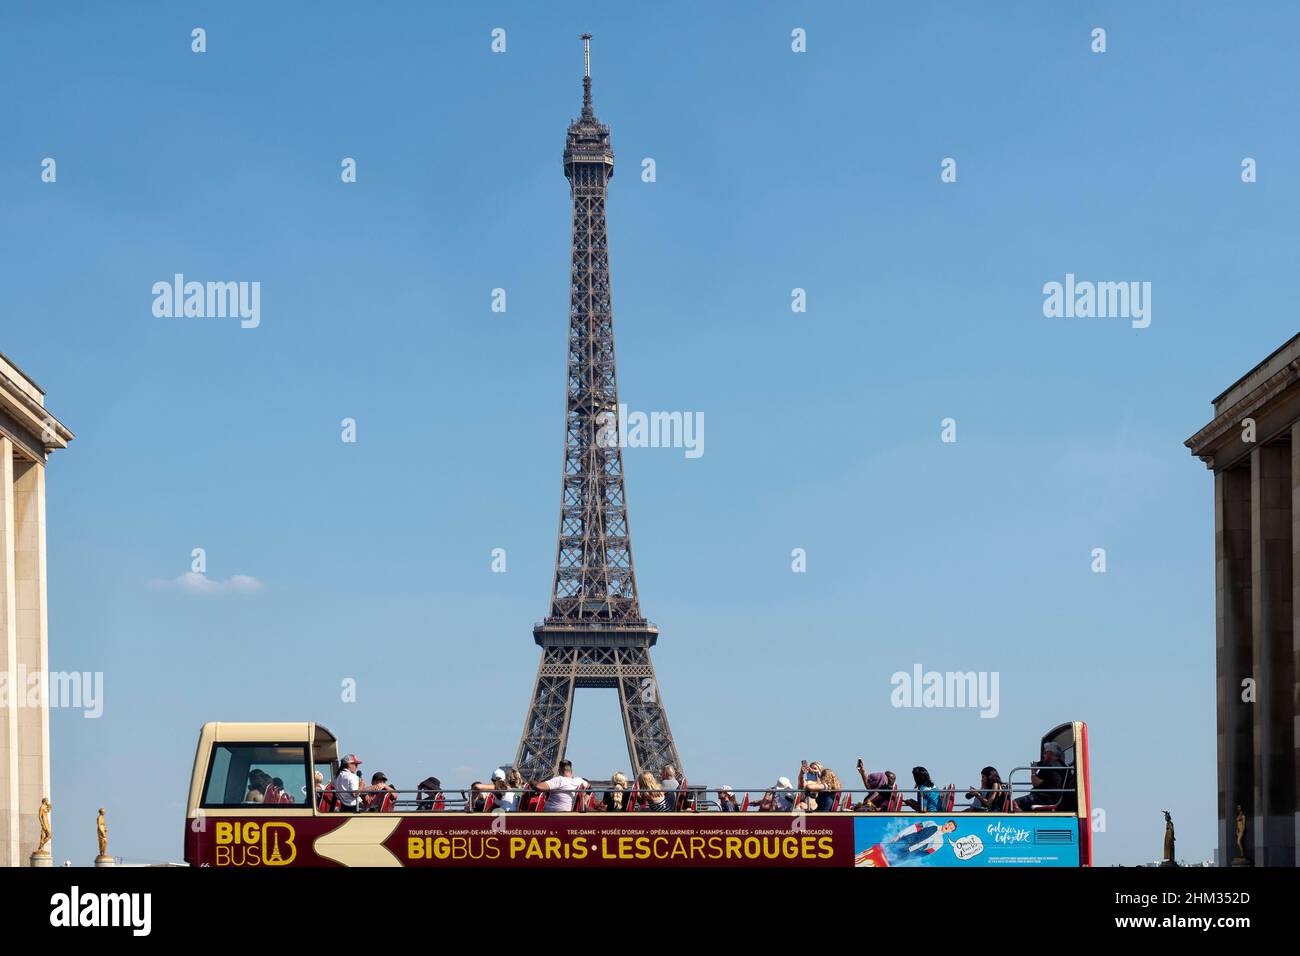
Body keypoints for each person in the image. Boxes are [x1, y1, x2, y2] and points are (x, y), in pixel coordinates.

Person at [1015, 743, 1067, 812]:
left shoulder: (1049, 766)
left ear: (1052, 754)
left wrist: (1033, 771)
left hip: (1044, 798)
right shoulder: (1059, 765)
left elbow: (1035, 783)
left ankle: (1022, 821)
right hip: (1050, 797)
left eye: (1046, 753)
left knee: (1014, 803)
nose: (1044, 756)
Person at [882, 820, 958, 864]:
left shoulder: (940, 842)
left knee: (888, 863)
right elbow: (914, 828)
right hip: (905, 842)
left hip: (908, 853)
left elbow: (925, 853)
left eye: (951, 828)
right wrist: (898, 836)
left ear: (950, 832)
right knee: (885, 852)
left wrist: (910, 857)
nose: (948, 827)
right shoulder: (931, 823)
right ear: (946, 822)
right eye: (949, 824)